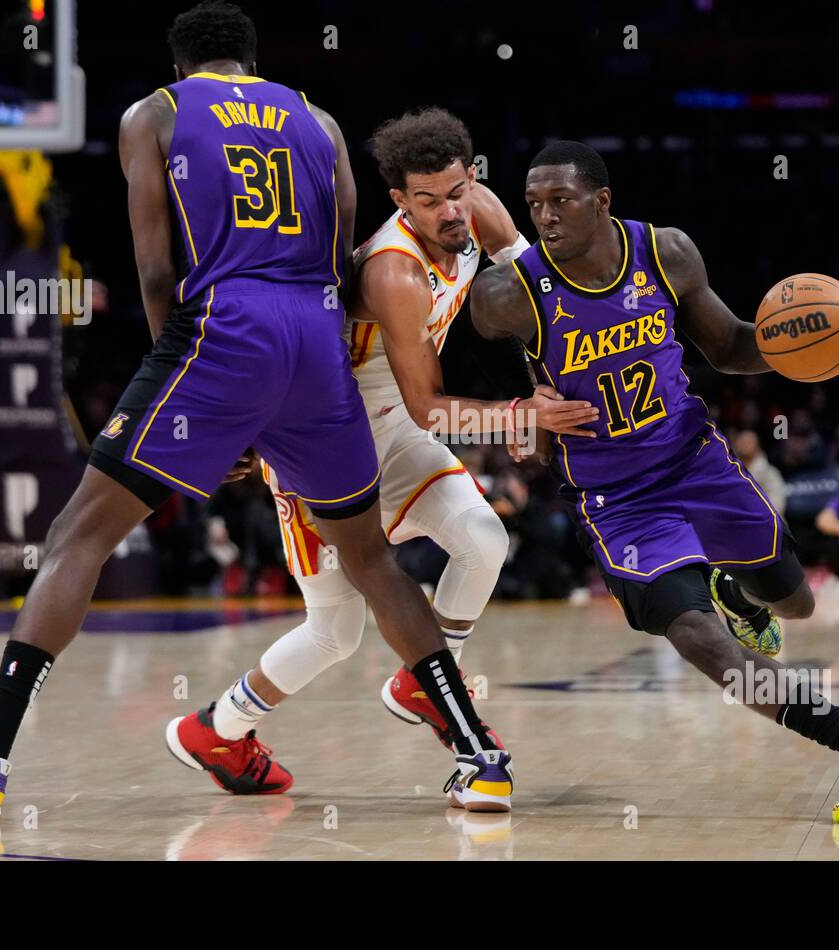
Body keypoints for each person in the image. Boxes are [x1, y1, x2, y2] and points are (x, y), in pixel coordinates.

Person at [0, 0, 510, 821]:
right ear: (252, 59)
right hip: (317, 347)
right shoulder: (317, 120)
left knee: (78, 537)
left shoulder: (157, 114)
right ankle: (479, 756)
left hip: (223, 336)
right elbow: (340, 260)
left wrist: (202, 404)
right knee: (371, 561)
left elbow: (153, 267)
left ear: (181, 66)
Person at [469, 140, 839, 823]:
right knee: (695, 635)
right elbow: (466, 341)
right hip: (618, 501)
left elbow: (728, 345)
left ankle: (742, 596)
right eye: (534, 204)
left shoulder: (667, 254)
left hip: (697, 463)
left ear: (602, 201)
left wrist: (808, 355)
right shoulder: (510, 295)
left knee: (794, 603)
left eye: (561, 200)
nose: (546, 216)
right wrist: (522, 410)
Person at [196, 108, 592, 810]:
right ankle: (217, 731)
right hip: (326, 441)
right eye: (429, 200)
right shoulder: (392, 271)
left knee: (483, 538)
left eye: (456, 191)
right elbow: (429, 408)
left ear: (472, 177)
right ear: (400, 202)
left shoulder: (484, 212)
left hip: (396, 432)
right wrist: (518, 416)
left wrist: (563, 368)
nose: (449, 212)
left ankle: (425, 683)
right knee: (334, 633)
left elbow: (545, 301)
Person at [733, 430, 787, 514]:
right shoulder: (730, 471)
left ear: (757, 446)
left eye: (749, 442)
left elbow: (778, 504)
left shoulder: (770, 473)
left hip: (765, 522)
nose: (744, 445)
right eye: (742, 442)